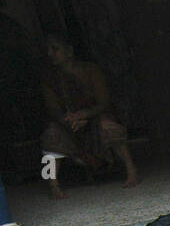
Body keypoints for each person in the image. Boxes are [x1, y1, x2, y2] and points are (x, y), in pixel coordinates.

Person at [39, 35, 140, 198]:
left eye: (55, 49)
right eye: (47, 50)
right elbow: (53, 109)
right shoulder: (49, 79)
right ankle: (53, 185)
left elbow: (104, 102)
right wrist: (71, 120)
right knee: (50, 137)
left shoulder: (90, 70)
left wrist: (85, 115)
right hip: (68, 123)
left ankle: (131, 170)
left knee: (110, 128)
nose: (50, 54)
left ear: (69, 51)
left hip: (94, 117)